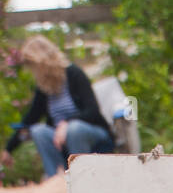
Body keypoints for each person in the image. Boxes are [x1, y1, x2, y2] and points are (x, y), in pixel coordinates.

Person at [0, 36, 114, 180]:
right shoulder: (43, 87)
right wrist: (9, 149)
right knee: (38, 131)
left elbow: (93, 110)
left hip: (91, 133)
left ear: (42, 61)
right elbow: (30, 119)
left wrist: (67, 123)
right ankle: (56, 181)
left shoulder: (74, 74)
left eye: (32, 64)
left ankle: (81, 179)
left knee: (74, 129)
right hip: (60, 141)